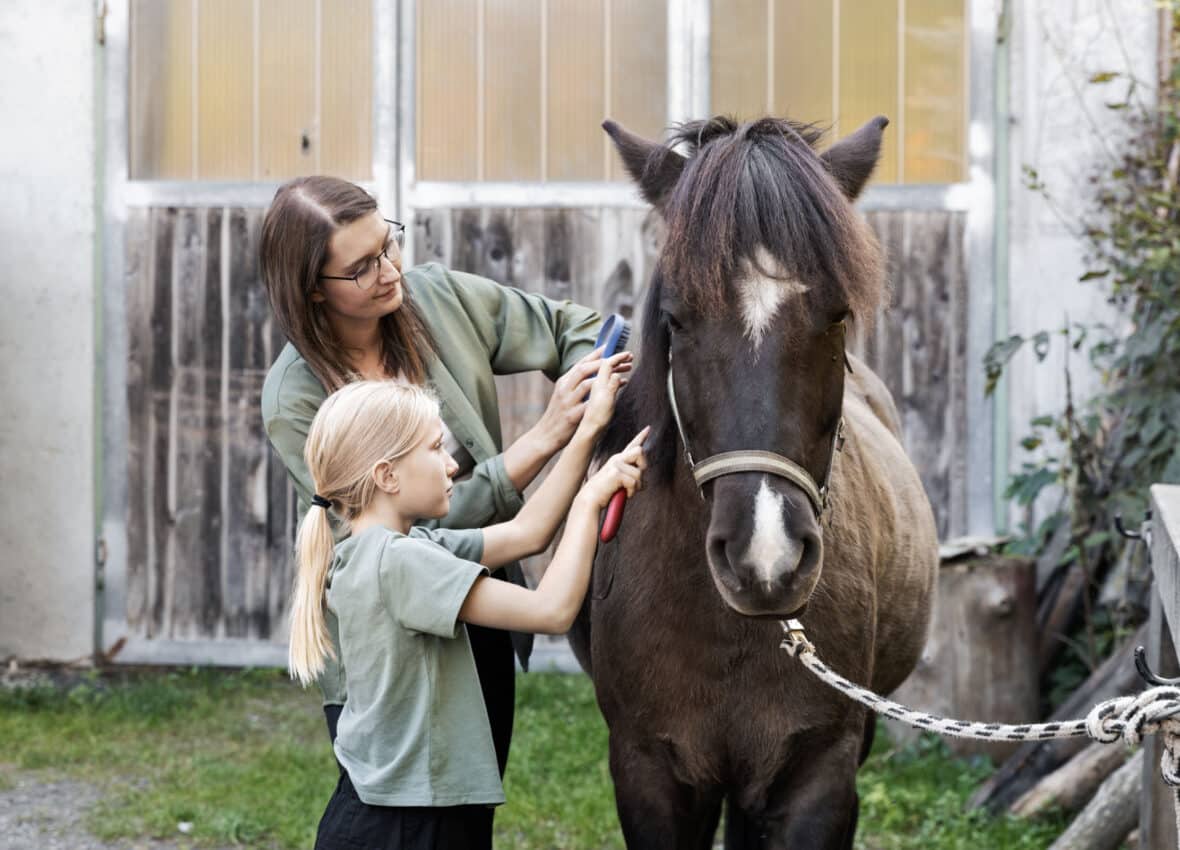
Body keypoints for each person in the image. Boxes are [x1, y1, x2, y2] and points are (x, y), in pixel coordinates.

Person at [259, 176, 630, 801]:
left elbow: (576, 329)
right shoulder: (295, 399)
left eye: (388, 244)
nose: (388, 271)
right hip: (390, 652)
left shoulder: (435, 299)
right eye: (361, 268)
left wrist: (595, 388)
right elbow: (406, 537)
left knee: (466, 815)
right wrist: (542, 439)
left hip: (475, 595)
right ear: (311, 292)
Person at [287, 374, 647, 850]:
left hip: (400, 814)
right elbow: (552, 610)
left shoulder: (390, 549)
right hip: (408, 827)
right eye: (435, 448)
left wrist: (587, 432)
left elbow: (527, 533)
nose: (452, 466)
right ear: (387, 476)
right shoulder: (402, 564)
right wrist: (590, 501)